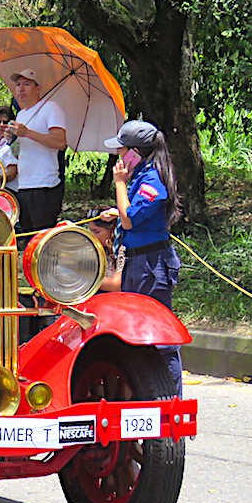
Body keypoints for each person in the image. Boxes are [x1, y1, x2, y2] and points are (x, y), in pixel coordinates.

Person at [107, 120, 183, 390]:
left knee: (160, 338)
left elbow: (130, 220)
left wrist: (119, 184)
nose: (117, 155)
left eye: (121, 149)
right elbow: (131, 214)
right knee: (136, 331)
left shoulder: (152, 180)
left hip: (152, 265)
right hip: (138, 261)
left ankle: (172, 399)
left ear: (134, 153)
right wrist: (117, 211)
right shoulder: (141, 175)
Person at [7, 68, 67, 232]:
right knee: (28, 235)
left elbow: (60, 142)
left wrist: (27, 133)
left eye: (27, 84)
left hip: (44, 184)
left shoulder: (50, 108)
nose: (21, 89)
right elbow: (20, 152)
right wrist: (11, 139)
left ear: (38, 88)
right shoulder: (21, 115)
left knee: (42, 236)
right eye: (18, 84)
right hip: (24, 184)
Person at [88, 211, 124, 293]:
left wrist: (83, 278)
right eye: (91, 231)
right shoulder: (100, 251)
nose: (93, 236)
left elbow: (116, 285)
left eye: (97, 231)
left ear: (112, 230)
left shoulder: (123, 250)